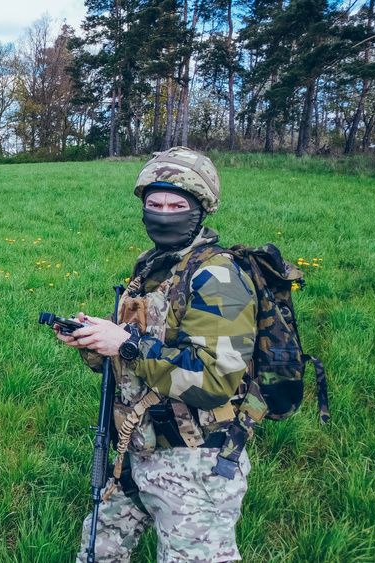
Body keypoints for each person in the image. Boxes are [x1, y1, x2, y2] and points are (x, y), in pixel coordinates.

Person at [55, 147, 258, 563]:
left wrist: (126, 344)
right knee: (98, 550)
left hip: (196, 464)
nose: (164, 214)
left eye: (177, 205)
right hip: (137, 449)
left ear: (200, 211)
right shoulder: (155, 267)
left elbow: (216, 381)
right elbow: (143, 348)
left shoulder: (218, 277)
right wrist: (98, 342)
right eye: (154, 204)